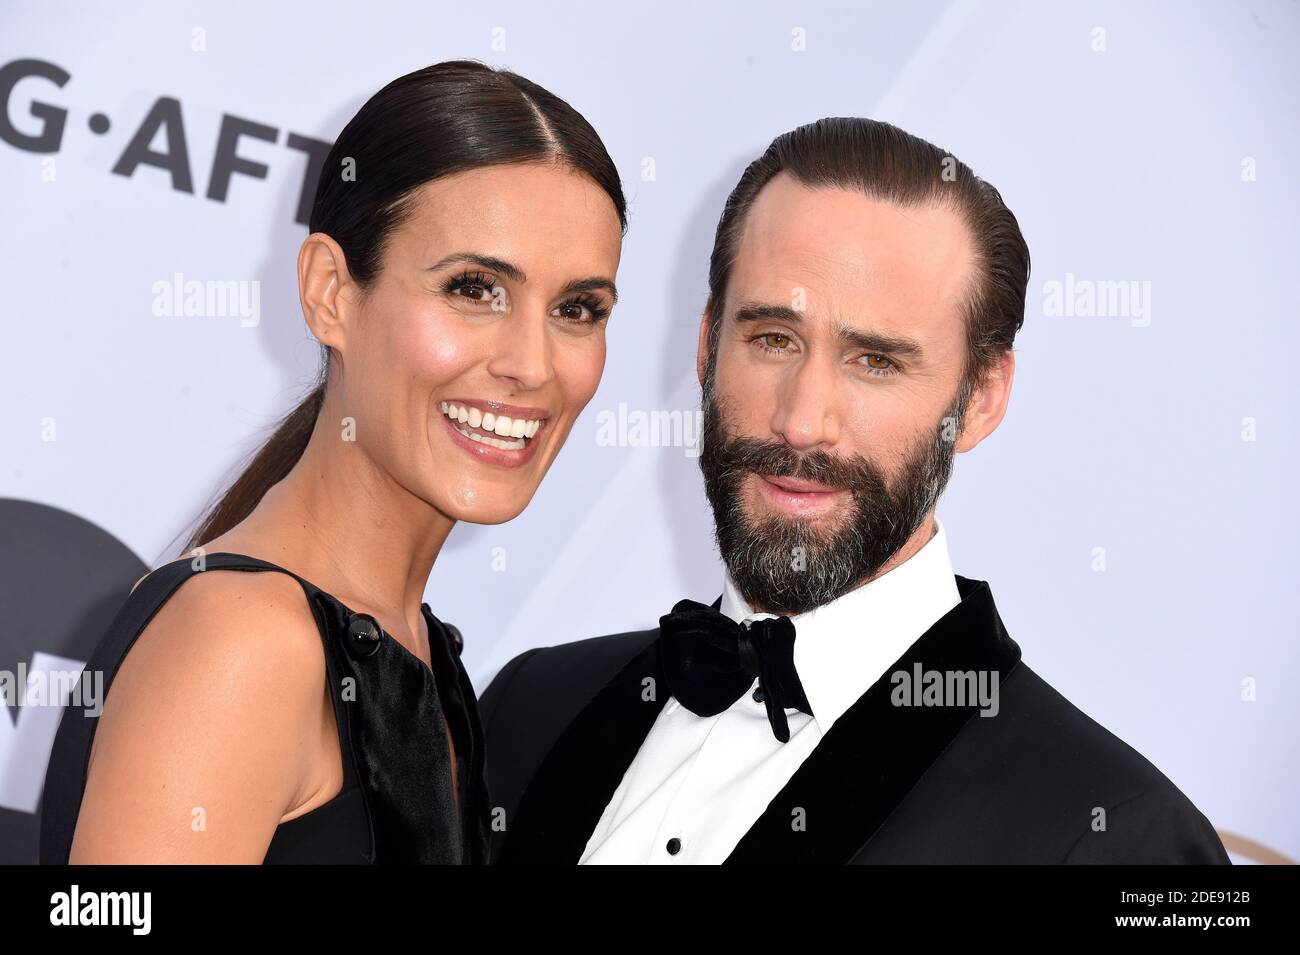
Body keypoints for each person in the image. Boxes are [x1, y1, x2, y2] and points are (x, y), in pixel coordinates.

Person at [478, 117, 1229, 864]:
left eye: (876, 361)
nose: (802, 423)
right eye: (773, 339)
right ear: (707, 344)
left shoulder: (1117, 836)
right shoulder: (529, 708)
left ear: (980, 399)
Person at [39, 59, 626, 864]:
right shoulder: (244, 641)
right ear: (329, 292)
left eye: (577, 309)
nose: (532, 363)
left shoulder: (414, 649)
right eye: (473, 288)